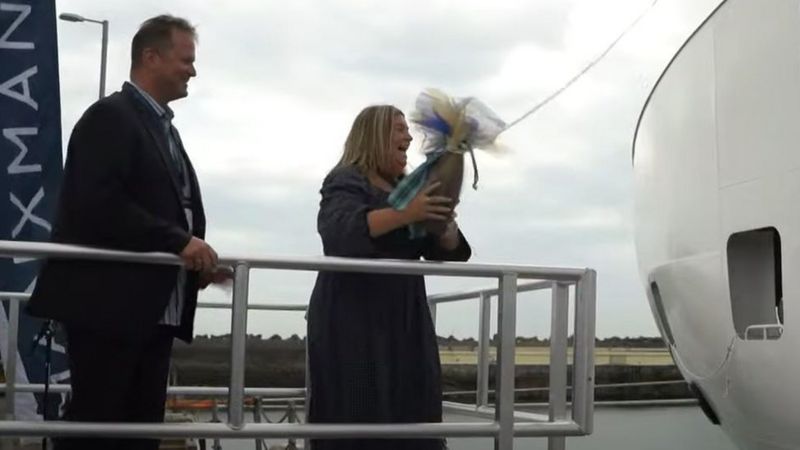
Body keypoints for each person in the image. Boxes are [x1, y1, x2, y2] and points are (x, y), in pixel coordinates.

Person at [27, 15, 226, 450]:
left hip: (154, 310)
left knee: (139, 431)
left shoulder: (163, 128)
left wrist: (194, 261)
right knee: (100, 427)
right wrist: (179, 242)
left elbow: (170, 207)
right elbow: (97, 203)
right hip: (110, 309)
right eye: (186, 59)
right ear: (150, 57)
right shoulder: (109, 118)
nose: (193, 70)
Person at [306, 105, 472, 450]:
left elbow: (448, 251)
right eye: (399, 129)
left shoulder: (410, 186)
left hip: (404, 315)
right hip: (352, 317)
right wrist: (406, 214)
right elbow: (339, 233)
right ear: (375, 136)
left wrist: (444, 224)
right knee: (357, 407)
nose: (408, 137)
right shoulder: (345, 179)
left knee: (413, 405)